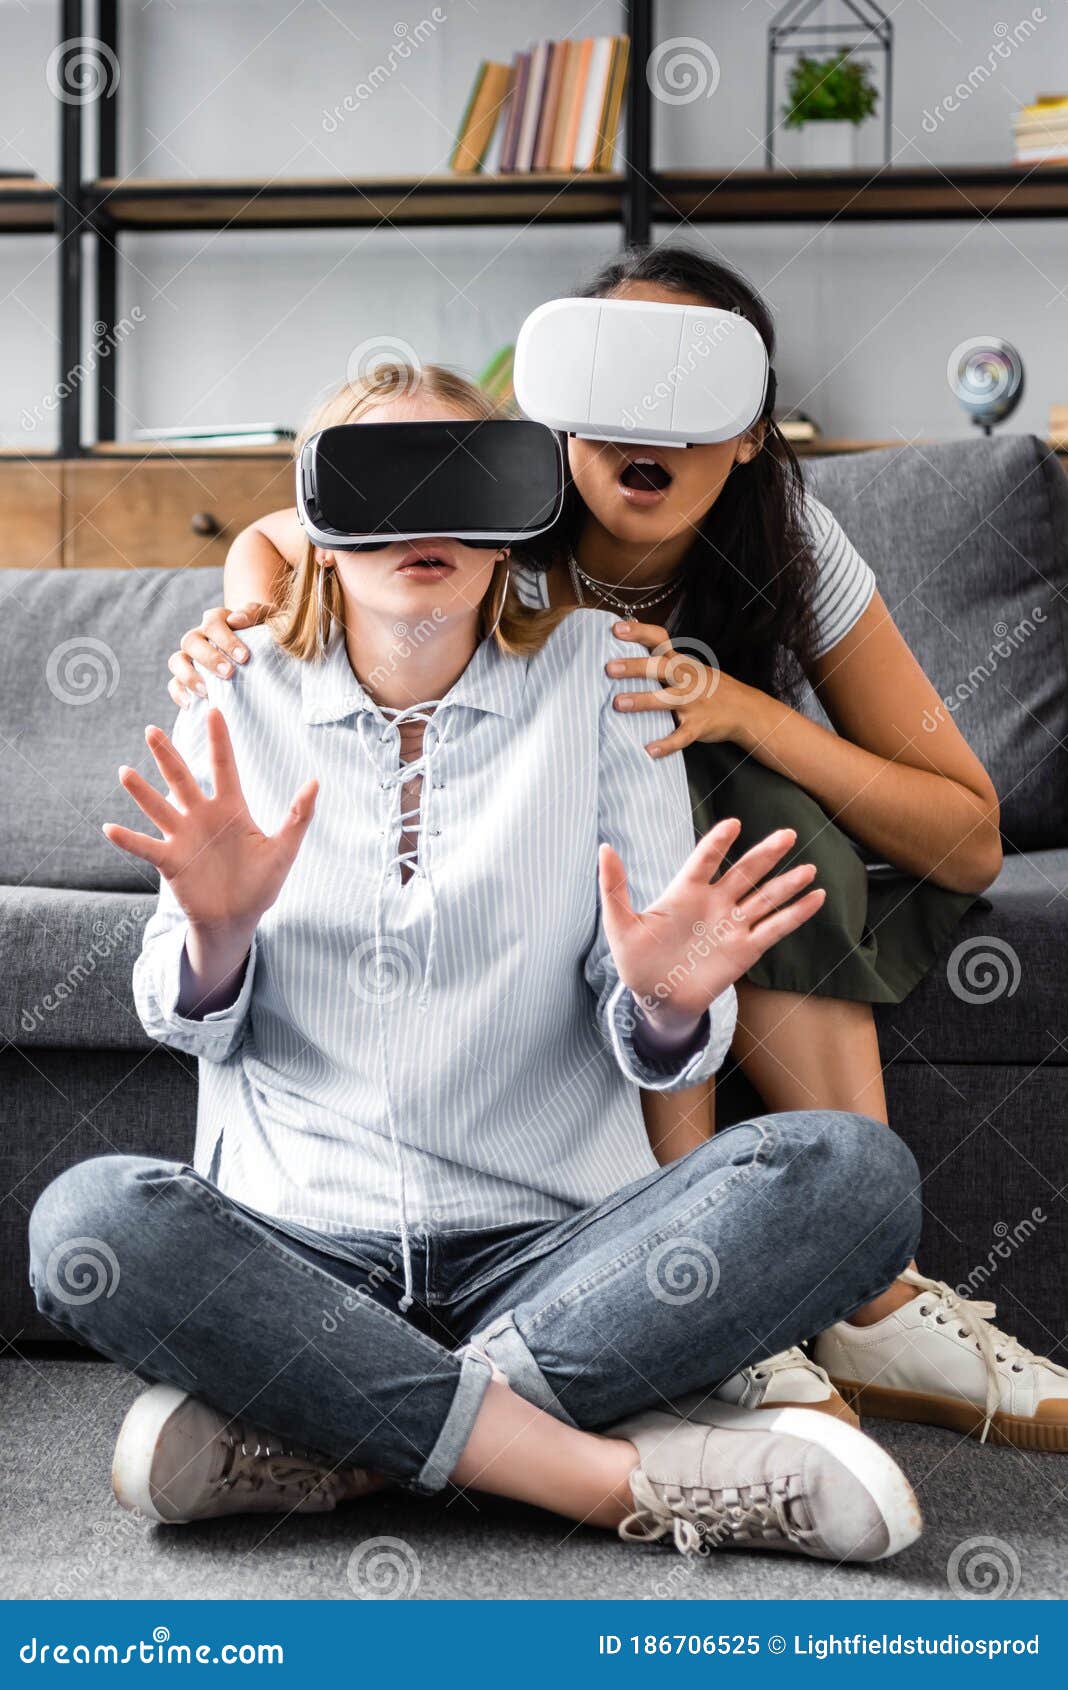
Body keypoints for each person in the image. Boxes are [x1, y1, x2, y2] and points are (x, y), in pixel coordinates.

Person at [160, 250, 1067, 1451]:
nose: (646, 418)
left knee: (742, 799)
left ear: (750, 429)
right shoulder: (482, 505)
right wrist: (241, 624)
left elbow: (969, 838)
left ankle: (875, 1304)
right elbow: (295, 532)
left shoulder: (787, 537)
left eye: (689, 382)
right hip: (528, 878)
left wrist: (742, 709)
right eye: (614, 375)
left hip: (756, 886)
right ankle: (676, 1281)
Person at [30, 364, 924, 1562]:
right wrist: (217, 936)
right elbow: (179, 1015)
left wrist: (663, 1002)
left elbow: (662, 1045)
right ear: (319, 525)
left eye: (463, 485)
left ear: (513, 524)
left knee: (857, 1175)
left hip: (555, 1245)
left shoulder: (603, 675)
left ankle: (335, 1432)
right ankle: (600, 1475)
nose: (427, 525)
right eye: (382, 487)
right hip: (302, 1244)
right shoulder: (233, 693)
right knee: (87, 1224)